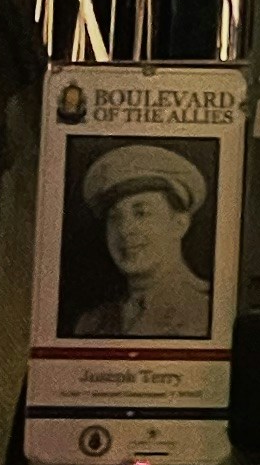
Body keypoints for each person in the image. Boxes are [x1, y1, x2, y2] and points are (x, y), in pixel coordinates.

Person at [63, 144, 212, 340]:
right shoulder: (92, 323)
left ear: (179, 223)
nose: (125, 230)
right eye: (114, 218)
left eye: (141, 213)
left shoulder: (208, 311)